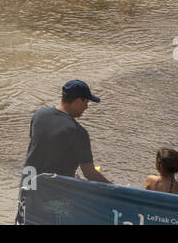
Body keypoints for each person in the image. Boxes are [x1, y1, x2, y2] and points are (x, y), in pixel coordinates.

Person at [17, 80, 111, 223]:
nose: (86, 107)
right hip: (54, 194)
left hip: (28, 187)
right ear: (79, 101)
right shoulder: (78, 132)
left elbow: (43, 148)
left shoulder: (39, 115)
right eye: (87, 102)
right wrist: (113, 188)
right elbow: (89, 173)